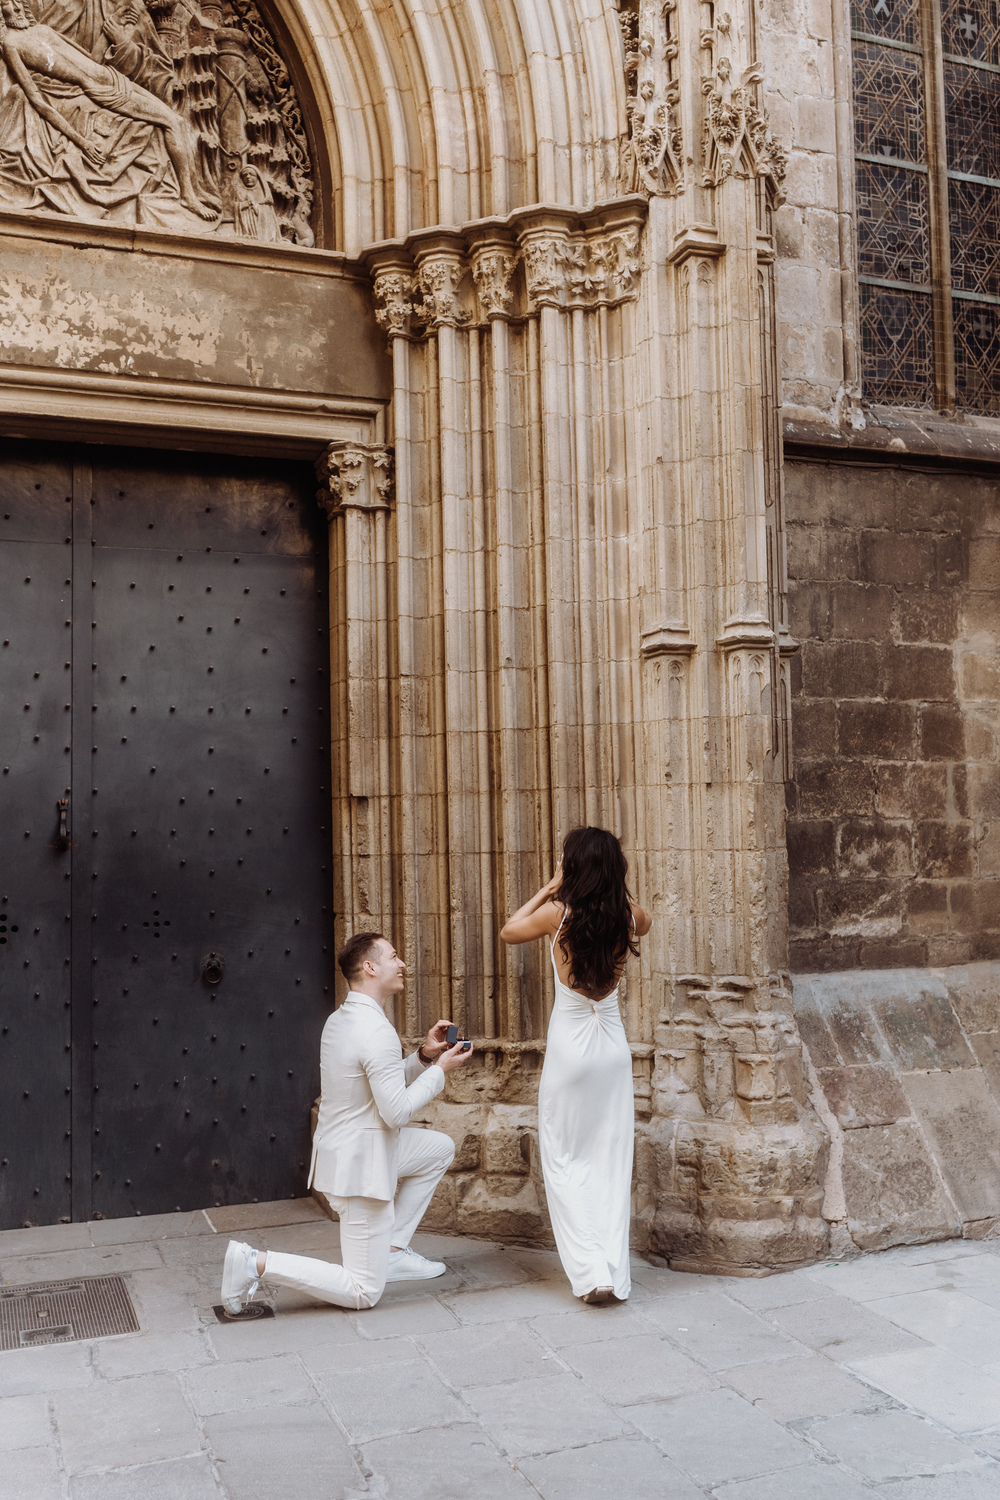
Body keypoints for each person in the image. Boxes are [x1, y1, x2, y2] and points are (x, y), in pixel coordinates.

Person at [221, 932, 473, 1313]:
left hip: (351, 1146)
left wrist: (422, 1056)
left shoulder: (342, 1018)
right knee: (362, 1292)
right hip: (361, 1167)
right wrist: (440, 1071)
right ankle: (254, 1262)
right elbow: (397, 1112)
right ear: (370, 967)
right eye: (393, 956)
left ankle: (391, 1251)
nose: (402, 963)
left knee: (438, 1148)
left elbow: (375, 1086)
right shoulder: (375, 1030)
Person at [500, 827, 651, 1304]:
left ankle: (591, 1275)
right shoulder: (630, 917)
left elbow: (508, 930)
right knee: (610, 1159)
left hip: (571, 1049)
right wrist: (615, 887)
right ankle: (613, 1271)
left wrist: (549, 885)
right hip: (612, 1050)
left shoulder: (555, 915)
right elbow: (644, 918)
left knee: (563, 1157)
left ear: (573, 868)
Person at [0, 0, 218, 219]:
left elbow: (91, 61)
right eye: (7, 3)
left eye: (17, 1)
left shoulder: (43, 30)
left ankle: (189, 195)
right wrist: (81, 142)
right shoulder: (11, 46)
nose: (16, 7)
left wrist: (115, 29)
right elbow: (38, 100)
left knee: (176, 120)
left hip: (113, 78)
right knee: (173, 122)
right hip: (101, 91)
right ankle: (188, 197)